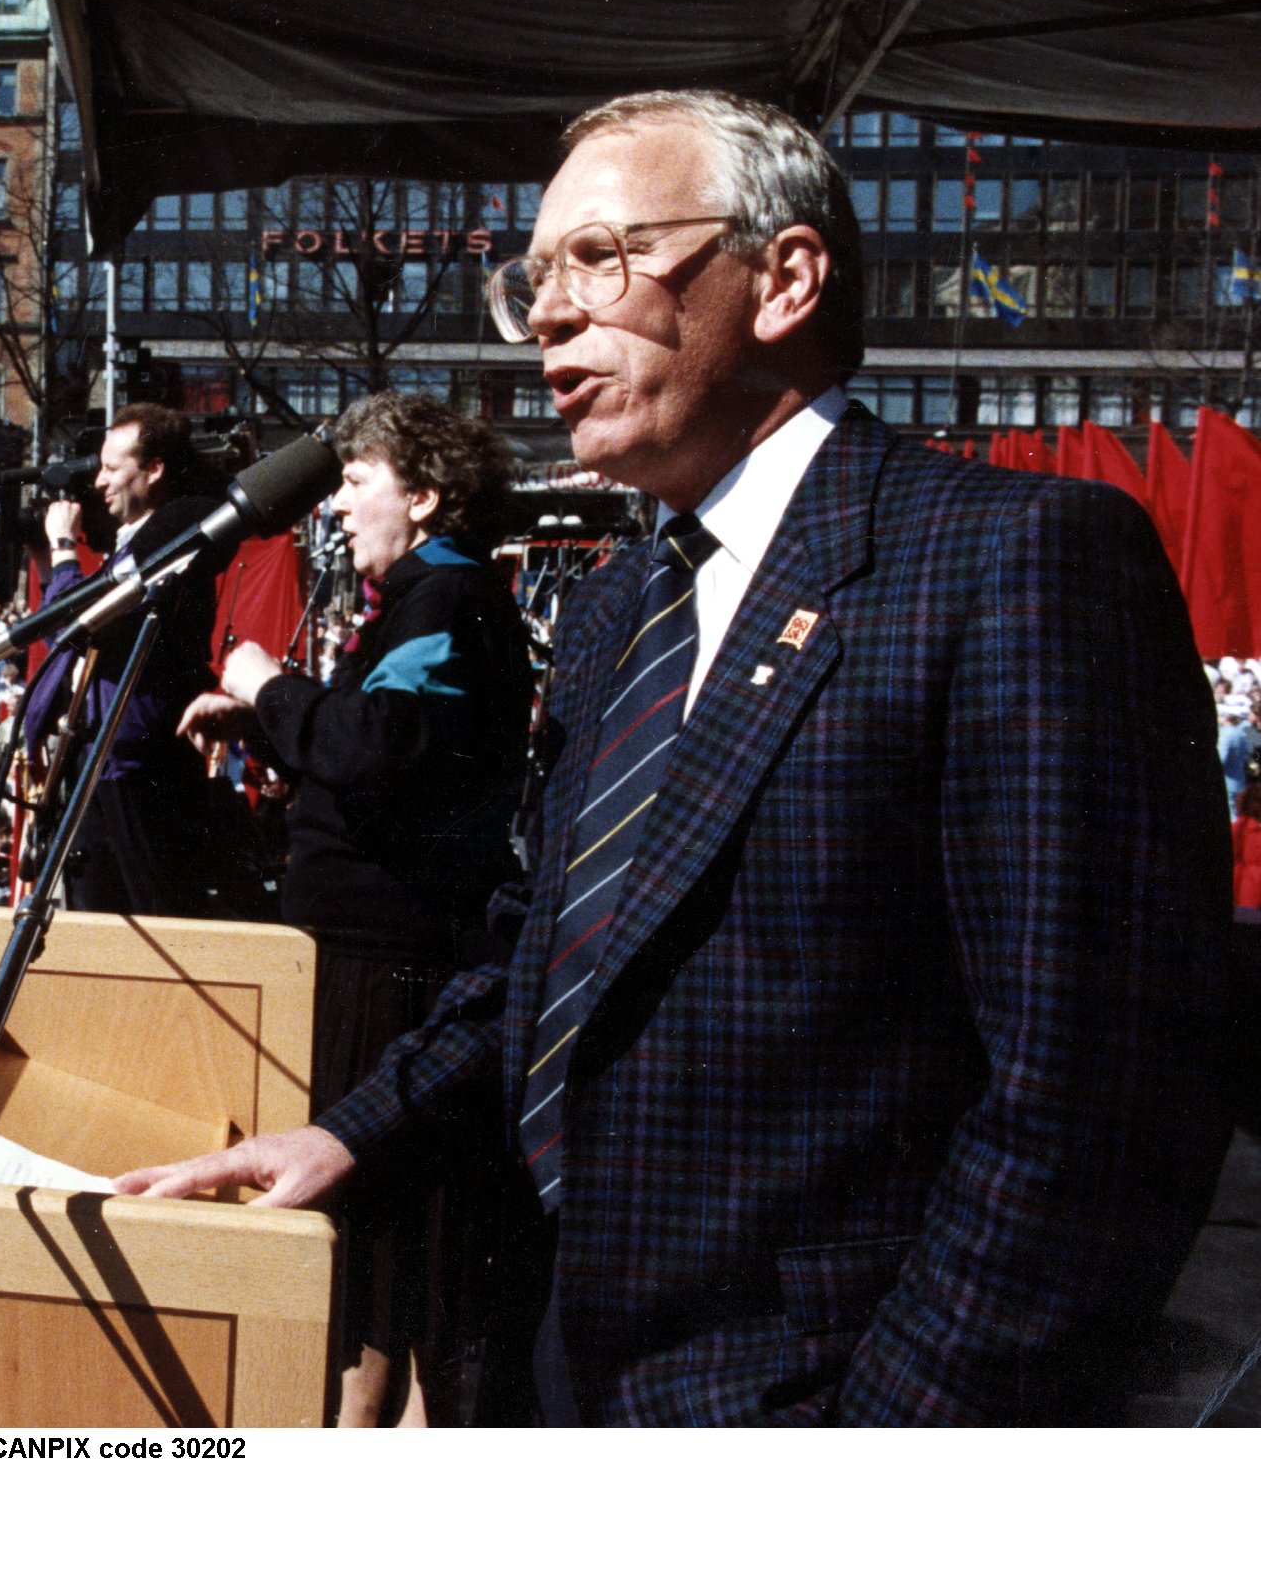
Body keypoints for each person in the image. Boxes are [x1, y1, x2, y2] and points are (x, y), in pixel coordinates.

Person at [121, 89, 1232, 1424]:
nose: (544, 315)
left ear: (787, 280)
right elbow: (544, 957)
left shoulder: (1016, 561)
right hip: (560, 1381)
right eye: (532, 279)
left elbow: (1097, 1114)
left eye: (598, 259)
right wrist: (357, 1129)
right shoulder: (617, 604)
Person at [180, 391, 531, 1426]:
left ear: (421, 496)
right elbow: (385, 756)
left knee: (390, 1251)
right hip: (369, 954)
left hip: (392, 968)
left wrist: (269, 682)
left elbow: (377, 749)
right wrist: (268, 724)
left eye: (357, 483)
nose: (335, 506)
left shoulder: (449, 596)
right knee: (379, 1270)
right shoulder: (422, 600)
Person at [24, 403, 222, 915]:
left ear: (154, 469)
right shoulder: (131, 547)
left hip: (136, 766)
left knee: (152, 920)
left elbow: (77, 629)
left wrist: (65, 549)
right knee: (98, 928)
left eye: (113, 468)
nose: (99, 481)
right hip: (100, 761)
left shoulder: (168, 539)